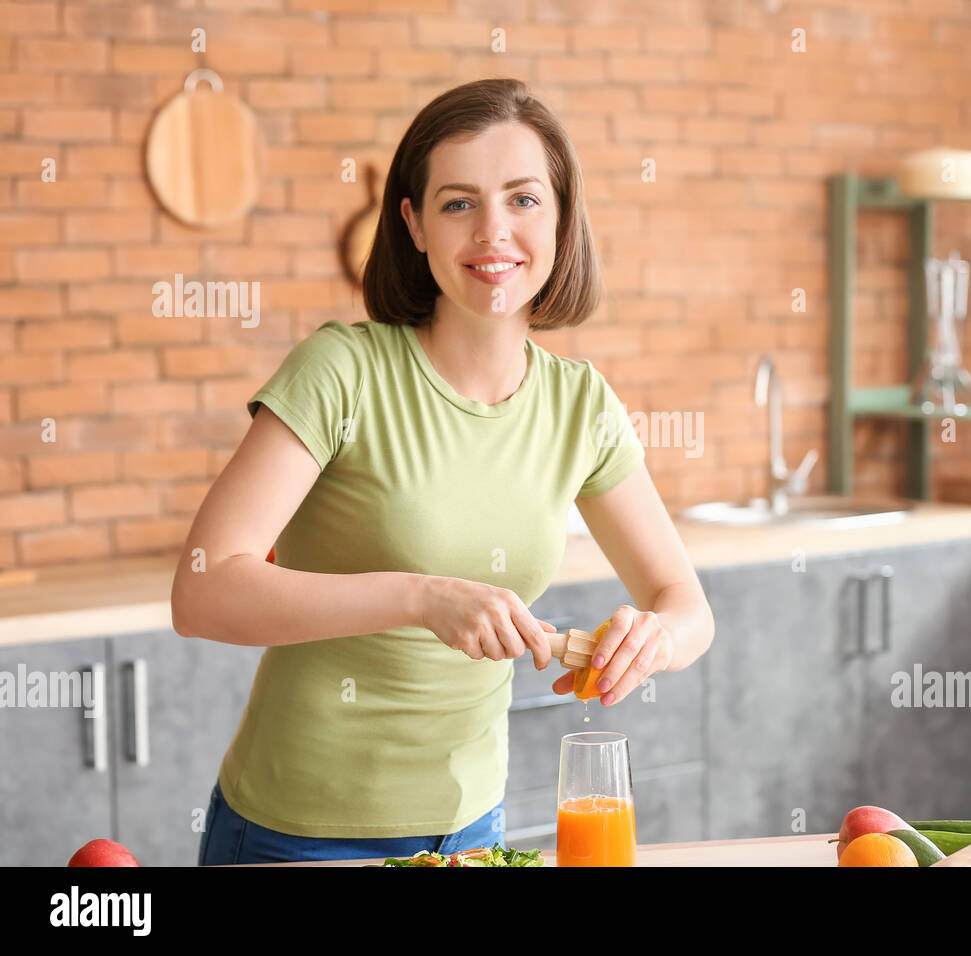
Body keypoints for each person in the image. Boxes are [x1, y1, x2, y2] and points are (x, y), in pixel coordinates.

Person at [173, 77, 715, 865]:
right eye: (459, 203)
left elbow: (688, 604)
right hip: (296, 838)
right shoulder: (343, 372)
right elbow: (203, 588)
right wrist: (420, 596)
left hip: (471, 837)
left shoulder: (580, 403)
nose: (493, 233)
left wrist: (653, 639)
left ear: (561, 218)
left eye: (524, 200)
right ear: (414, 225)